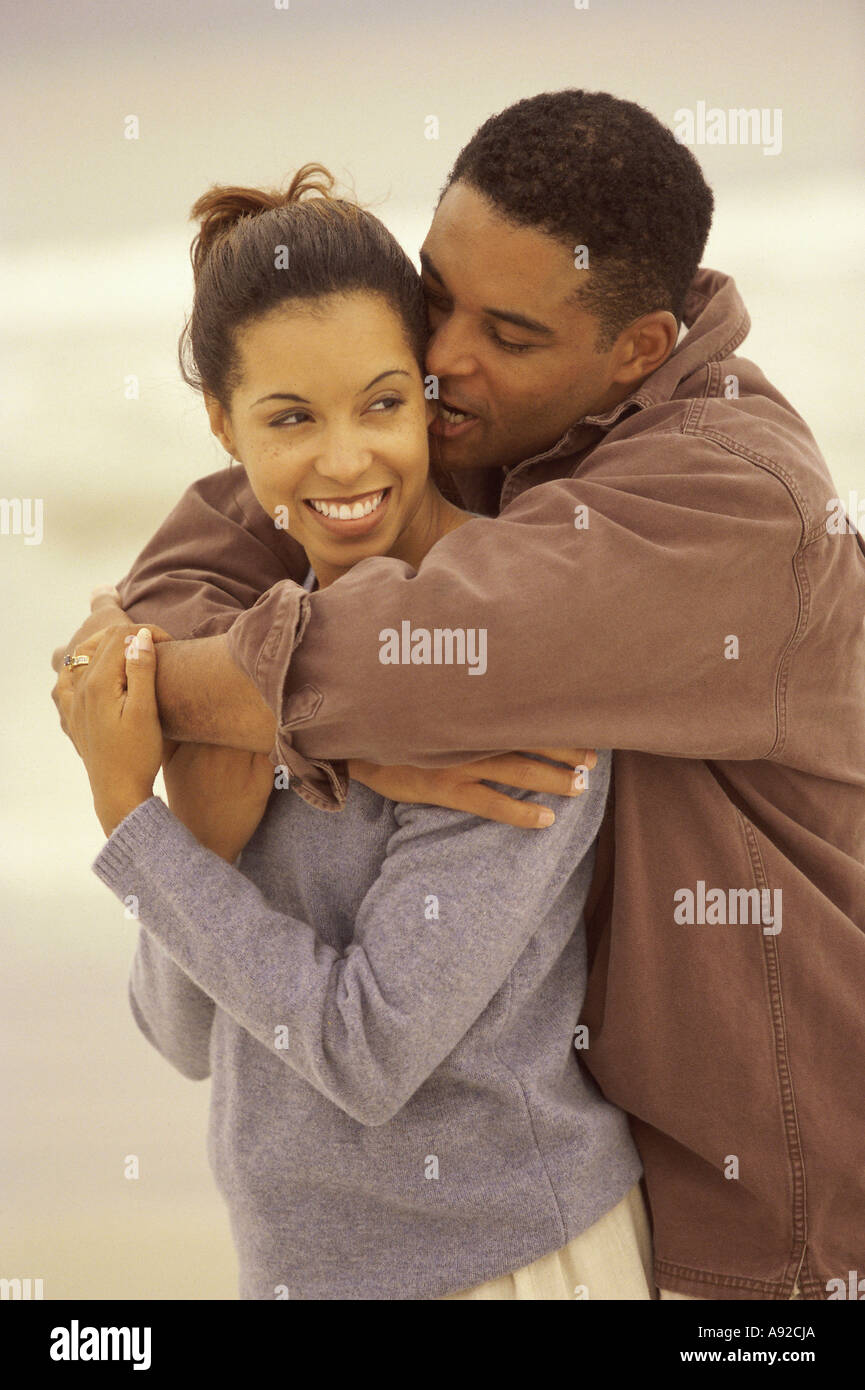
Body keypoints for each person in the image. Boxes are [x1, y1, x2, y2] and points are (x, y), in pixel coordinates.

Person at [54, 91, 865, 1300]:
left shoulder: (726, 497)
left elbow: (418, 661)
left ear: (638, 348)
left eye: (509, 331)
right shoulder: (458, 436)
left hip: (764, 1208)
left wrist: (143, 753)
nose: (437, 364)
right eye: (437, 298)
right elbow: (183, 572)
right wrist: (251, 740)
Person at [57, 167, 655, 1301]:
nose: (344, 461)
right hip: (300, 1269)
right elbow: (184, 1034)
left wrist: (129, 820)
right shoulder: (239, 662)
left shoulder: (511, 654)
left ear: (428, 398)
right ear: (221, 426)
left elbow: (366, 1052)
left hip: (514, 1262)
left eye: (382, 403)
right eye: (291, 417)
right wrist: (206, 835)